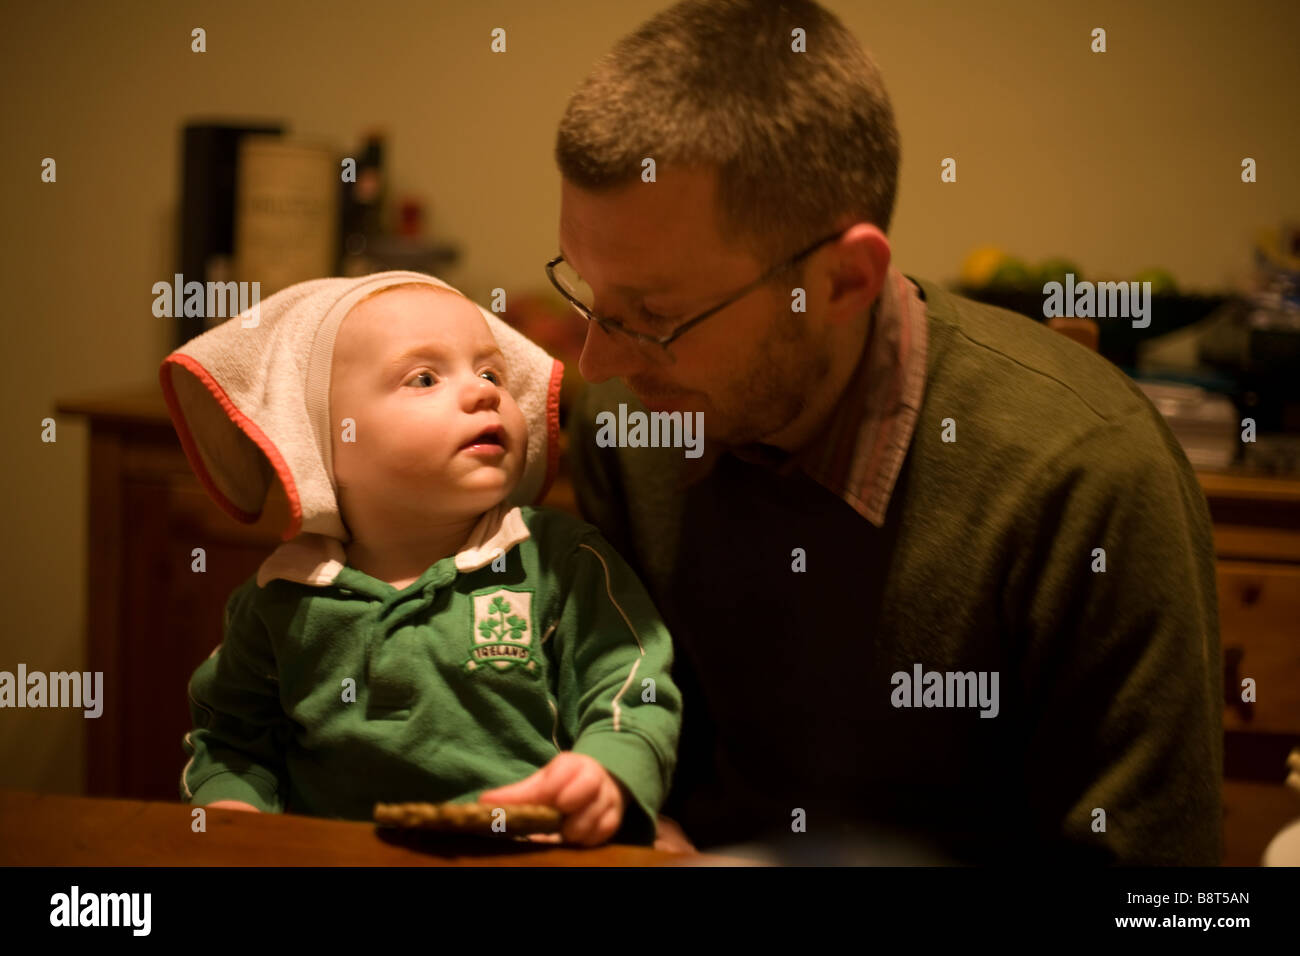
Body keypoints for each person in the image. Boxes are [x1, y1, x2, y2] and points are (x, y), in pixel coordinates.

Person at [555, 0, 1222, 863]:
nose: (598, 363)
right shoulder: (631, 424)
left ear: (844, 281)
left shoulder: (1088, 477)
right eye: (586, 290)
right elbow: (640, 752)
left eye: (653, 314)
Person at [161, 271, 682, 847]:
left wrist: (607, 772)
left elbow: (631, 686)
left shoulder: (560, 563)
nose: (485, 392)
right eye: (425, 377)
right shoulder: (279, 601)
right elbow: (232, 743)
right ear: (323, 441)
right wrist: (233, 808)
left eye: (491, 373)